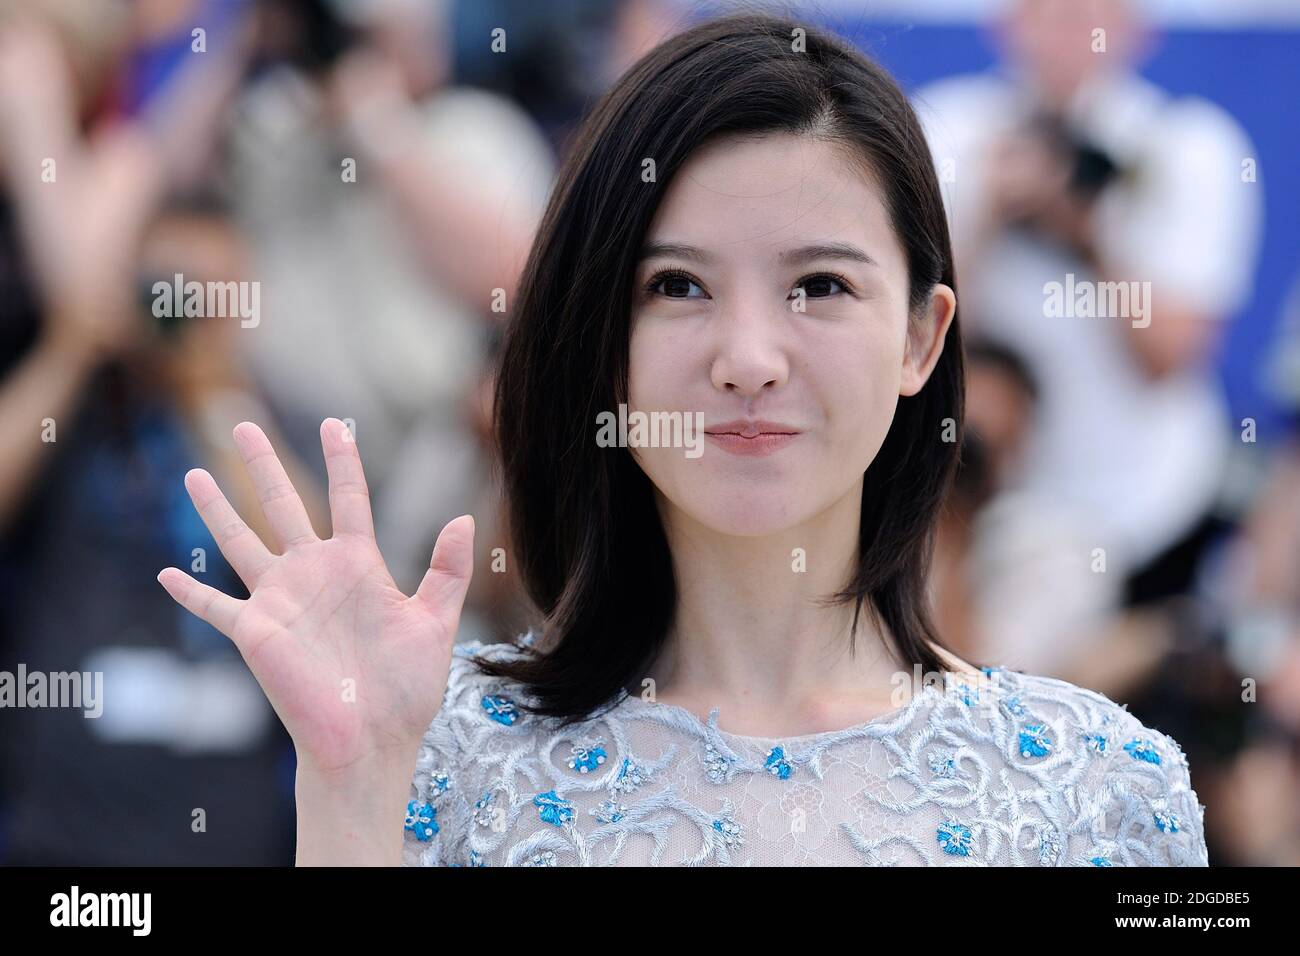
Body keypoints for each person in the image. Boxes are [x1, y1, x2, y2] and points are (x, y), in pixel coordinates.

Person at [158, 12, 1208, 866]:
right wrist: (351, 788)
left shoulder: (1102, 789)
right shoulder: (440, 750)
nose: (748, 358)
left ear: (921, 337)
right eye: (677, 286)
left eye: (820, 285)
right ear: (599, 337)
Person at [914, 0, 1262, 597]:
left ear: (1138, 27)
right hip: (974, 508)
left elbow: (1170, 356)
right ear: (1005, 21)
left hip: (1143, 510)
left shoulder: (1189, 147)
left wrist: (1090, 239)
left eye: (1090, 14)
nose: (1068, 33)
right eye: (1045, 11)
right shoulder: (943, 129)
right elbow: (915, 342)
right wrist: (988, 214)